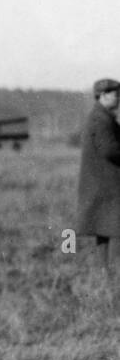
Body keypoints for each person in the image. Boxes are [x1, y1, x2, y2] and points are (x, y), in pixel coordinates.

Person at [77, 77, 120, 275]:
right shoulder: (101, 120)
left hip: (102, 184)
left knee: (105, 231)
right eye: (114, 94)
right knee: (115, 230)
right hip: (108, 185)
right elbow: (110, 150)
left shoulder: (101, 117)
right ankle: (112, 274)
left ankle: (106, 274)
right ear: (102, 96)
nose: (118, 97)